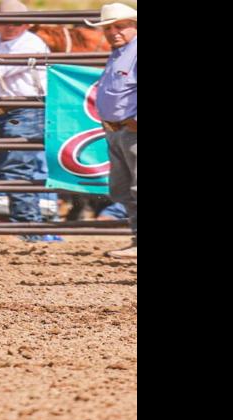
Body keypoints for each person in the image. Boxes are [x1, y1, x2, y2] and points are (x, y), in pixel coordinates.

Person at [0, 0, 52, 242]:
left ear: (26, 24)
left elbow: (0, 69)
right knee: (16, 166)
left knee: (16, 168)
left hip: (27, 108)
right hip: (9, 110)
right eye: (4, 21)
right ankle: (29, 226)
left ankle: (29, 228)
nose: (10, 26)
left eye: (16, 22)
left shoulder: (32, 43)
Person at [87, 2, 135, 260]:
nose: (114, 32)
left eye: (120, 26)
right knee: (123, 188)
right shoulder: (120, 53)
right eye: (108, 28)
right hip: (118, 130)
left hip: (131, 129)